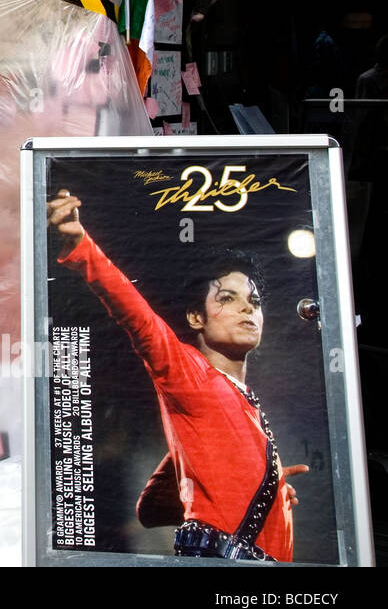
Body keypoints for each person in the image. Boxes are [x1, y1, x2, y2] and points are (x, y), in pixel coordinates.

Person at [46, 188, 309, 562]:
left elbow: (149, 510)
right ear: (195, 317)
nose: (247, 309)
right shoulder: (190, 374)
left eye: (254, 301)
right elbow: (137, 316)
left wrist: (262, 486)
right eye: (227, 298)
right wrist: (82, 246)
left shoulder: (242, 401)